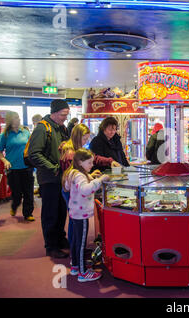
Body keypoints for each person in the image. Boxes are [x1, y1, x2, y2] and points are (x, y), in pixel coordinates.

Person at [59, 123, 121, 243]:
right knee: (75, 220)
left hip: (71, 190)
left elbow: (93, 159)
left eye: (87, 138)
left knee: (74, 219)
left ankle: (76, 247)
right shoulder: (70, 152)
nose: (86, 141)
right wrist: (93, 178)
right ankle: (76, 248)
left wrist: (92, 174)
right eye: (84, 138)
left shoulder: (75, 149)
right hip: (71, 192)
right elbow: (74, 175)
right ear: (77, 136)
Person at [28, 99, 70, 258]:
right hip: (49, 178)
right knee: (50, 213)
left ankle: (60, 239)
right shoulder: (42, 128)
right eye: (62, 114)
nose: (65, 117)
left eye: (66, 114)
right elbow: (34, 154)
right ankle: (51, 246)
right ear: (54, 112)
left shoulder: (62, 128)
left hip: (61, 178)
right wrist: (53, 168)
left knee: (61, 211)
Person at [62, 148, 110, 282]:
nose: (92, 165)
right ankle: (83, 273)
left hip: (75, 212)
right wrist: (99, 180)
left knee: (77, 241)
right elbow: (85, 190)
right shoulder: (79, 176)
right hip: (81, 214)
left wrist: (92, 177)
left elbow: (73, 186)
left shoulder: (73, 173)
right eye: (89, 163)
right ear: (80, 162)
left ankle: (76, 266)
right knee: (81, 243)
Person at [0, 111, 34, 221]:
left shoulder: (26, 132)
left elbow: (31, 147)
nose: (17, 120)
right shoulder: (4, 135)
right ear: (9, 121)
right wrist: (5, 161)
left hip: (27, 167)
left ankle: (28, 213)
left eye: (17, 118)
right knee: (17, 194)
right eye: (14, 118)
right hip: (13, 169)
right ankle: (14, 205)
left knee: (28, 192)